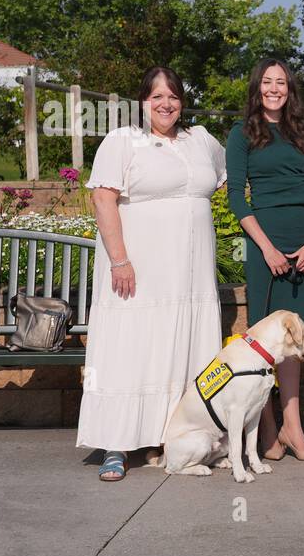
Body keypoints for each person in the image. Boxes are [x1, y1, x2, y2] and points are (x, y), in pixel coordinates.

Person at [78, 66, 227, 480]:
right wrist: (120, 259)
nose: (166, 104)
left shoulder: (202, 141)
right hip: (139, 268)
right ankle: (116, 444)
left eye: (174, 96)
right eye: (156, 97)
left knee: (184, 345)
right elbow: (103, 201)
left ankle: (176, 436)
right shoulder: (123, 141)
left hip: (191, 276)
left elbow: (219, 183)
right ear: (142, 101)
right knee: (131, 346)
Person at [225, 57, 304, 461]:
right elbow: (235, 195)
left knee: (294, 340)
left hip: (303, 240)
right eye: (267, 82)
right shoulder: (241, 133)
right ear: (257, 87)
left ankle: (293, 428)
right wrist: (265, 248)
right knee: (265, 342)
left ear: (290, 89)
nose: (274, 89)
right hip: (264, 241)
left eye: (281, 82)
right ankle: (266, 430)